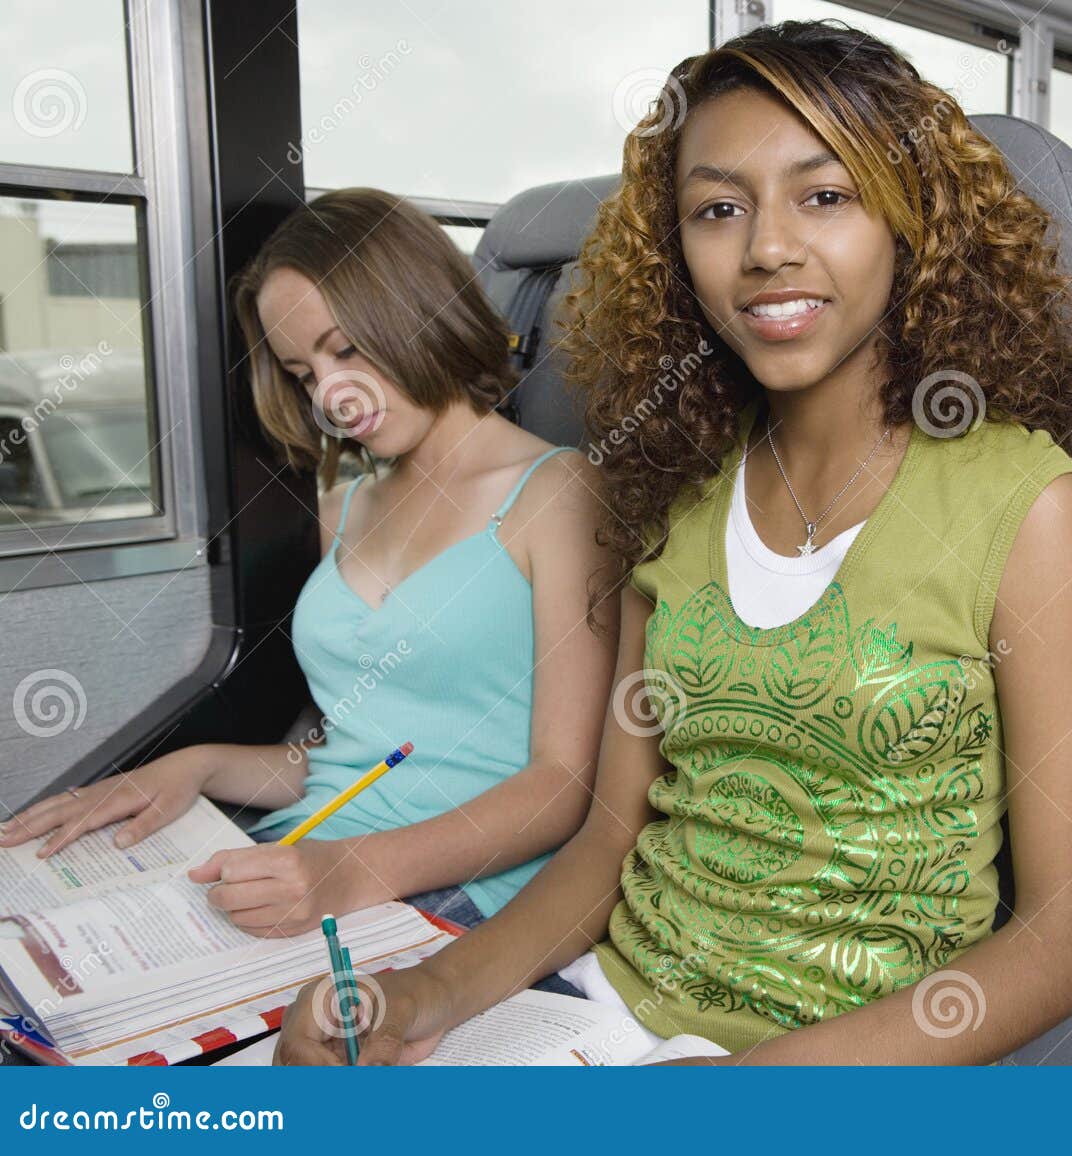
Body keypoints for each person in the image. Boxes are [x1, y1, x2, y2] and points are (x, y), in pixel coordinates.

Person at [276, 19, 1072, 1065]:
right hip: (595, 1018)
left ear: (909, 221)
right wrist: (426, 996)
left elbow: (1065, 938)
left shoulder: (1024, 504)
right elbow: (607, 840)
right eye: (719, 209)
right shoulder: (675, 492)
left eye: (825, 195)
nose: (767, 247)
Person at [0, 189, 616, 936]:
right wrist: (194, 764)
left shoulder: (560, 494)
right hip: (307, 853)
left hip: (460, 889)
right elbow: (348, 751)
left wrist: (352, 870)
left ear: (421, 306)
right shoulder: (343, 503)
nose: (332, 396)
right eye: (301, 373)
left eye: (346, 351)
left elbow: (561, 787)